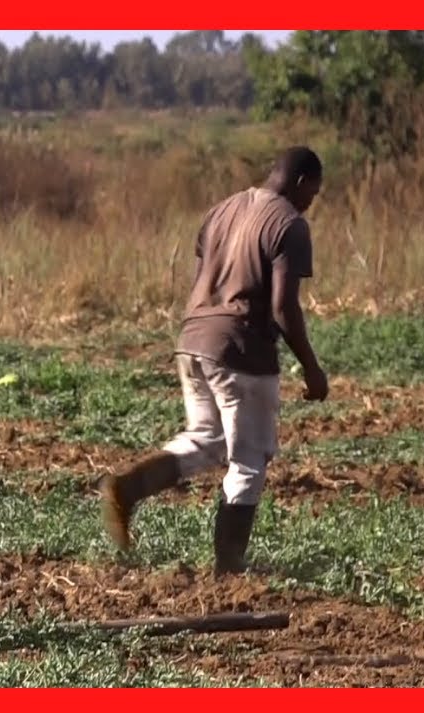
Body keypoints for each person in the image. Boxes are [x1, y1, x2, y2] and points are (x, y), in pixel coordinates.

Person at [100, 146, 330, 576]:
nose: (309, 204)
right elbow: (283, 308)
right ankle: (229, 566)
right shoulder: (289, 224)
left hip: (193, 339)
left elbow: (206, 278)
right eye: (312, 195)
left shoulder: (221, 210)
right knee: (249, 458)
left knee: (207, 439)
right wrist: (312, 369)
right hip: (240, 349)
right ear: (300, 183)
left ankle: (128, 488)